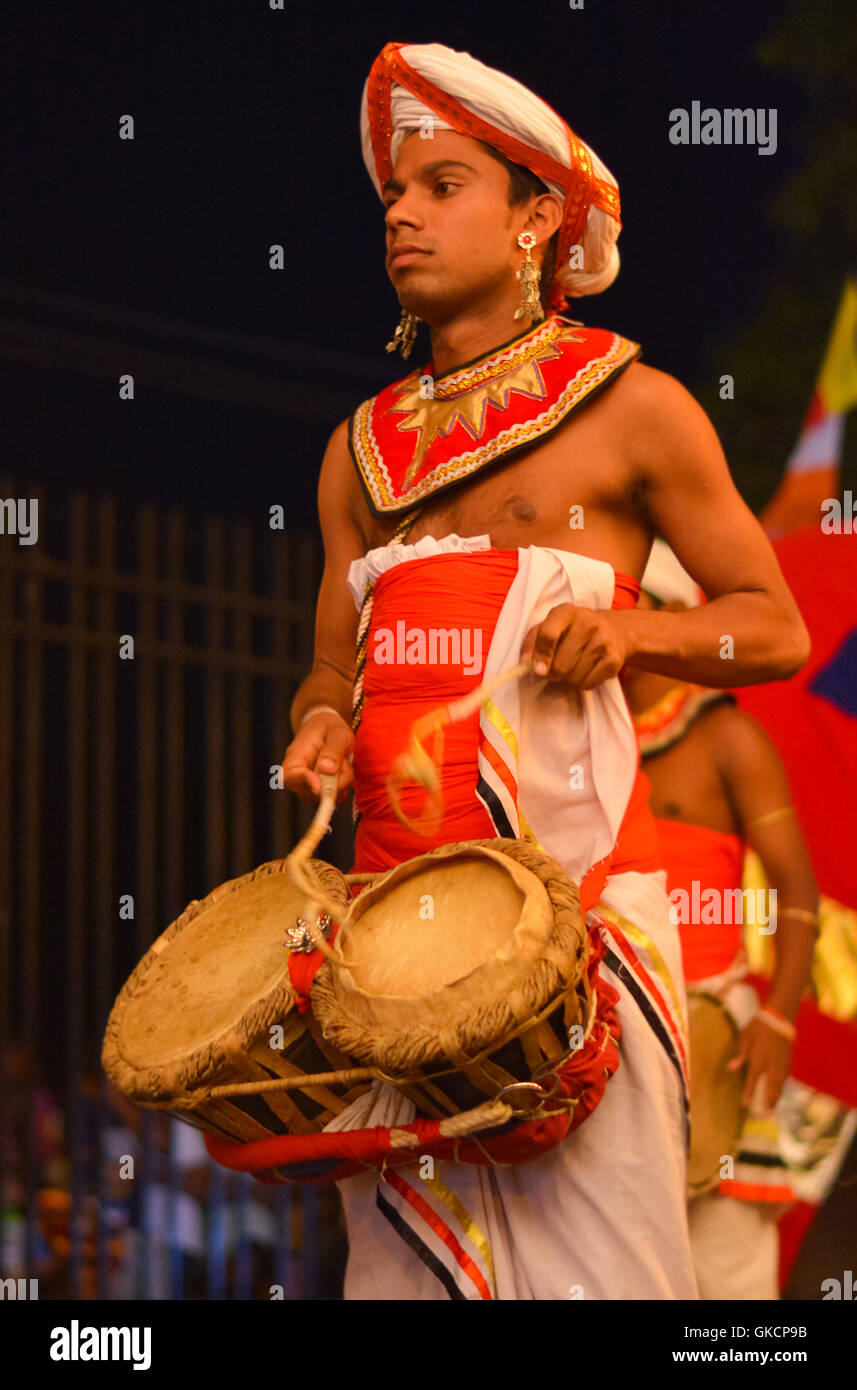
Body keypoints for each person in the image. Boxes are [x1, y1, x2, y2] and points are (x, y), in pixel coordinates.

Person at [280, 41, 808, 1300]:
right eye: (393, 195)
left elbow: (771, 626)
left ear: (534, 222)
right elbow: (323, 673)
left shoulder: (635, 408)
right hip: (393, 956)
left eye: (443, 185)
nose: (401, 212)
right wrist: (314, 727)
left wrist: (635, 635)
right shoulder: (357, 454)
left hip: (584, 933)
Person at [623, 540, 819, 1299]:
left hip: (720, 1034)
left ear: (674, 620)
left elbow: (793, 887)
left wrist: (775, 1017)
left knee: (730, 1285)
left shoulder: (726, 737)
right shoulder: (581, 743)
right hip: (617, 1039)